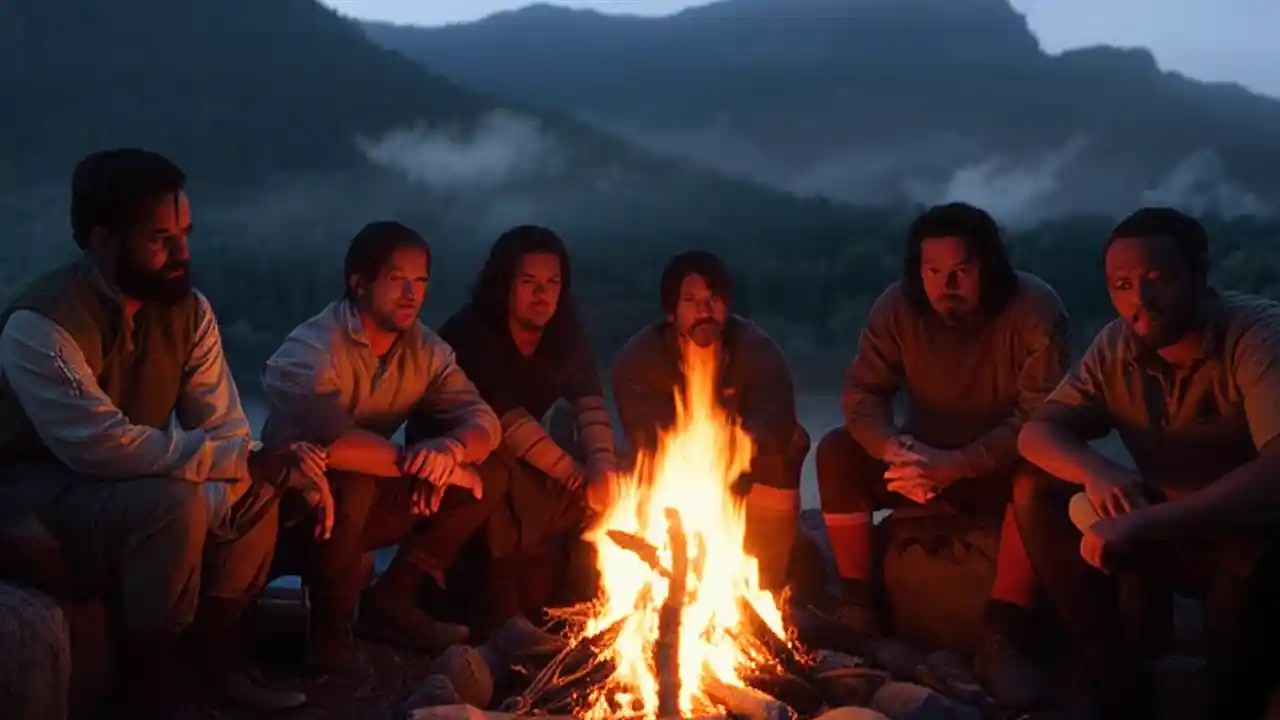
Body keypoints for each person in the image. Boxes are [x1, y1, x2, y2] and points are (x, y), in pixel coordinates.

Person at [0, 149, 321, 717]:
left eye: (184, 234)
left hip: (132, 478)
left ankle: (218, 665)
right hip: (40, 493)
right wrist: (231, 462)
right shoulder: (41, 324)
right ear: (103, 239)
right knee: (174, 503)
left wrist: (252, 468)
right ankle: (153, 692)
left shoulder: (186, 311)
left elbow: (222, 424)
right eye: (159, 239)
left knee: (259, 483)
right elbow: (99, 446)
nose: (182, 253)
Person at [1017, 207, 1280, 718]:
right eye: (1122, 285)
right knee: (1035, 486)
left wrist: (1145, 521)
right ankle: (1113, 677)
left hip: (1254, 532)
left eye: (1157, 280)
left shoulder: (1257, 337)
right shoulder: (1117, 344)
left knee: (1245, 581)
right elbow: (1037, 431)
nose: (1140, 301)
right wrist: (1098, 471)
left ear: (1200, 275)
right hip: (1165, 521)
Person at [815, 202, 1069, 707]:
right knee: (837, 451)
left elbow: (1041, 415)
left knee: (1042, 468)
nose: (945, 285)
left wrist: (957, 464)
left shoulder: (1034, 308)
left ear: (988, 267)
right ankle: (857, 607)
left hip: (998, 462)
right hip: (919, 460)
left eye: (960, 271)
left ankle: (1003, 635)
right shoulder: (897, 307)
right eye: (932, 271)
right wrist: (893, 448)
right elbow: (863, 393)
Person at [261, 221, 505, 674]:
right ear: (359, 282)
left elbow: (484, 421)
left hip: (369, 498)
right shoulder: (310, 347)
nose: (412, 294)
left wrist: (450, 450)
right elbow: (338, 445)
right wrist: (436, 468)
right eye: (397, 280)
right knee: (351, 482)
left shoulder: (425, 349)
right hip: (294, 508)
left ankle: (390, 601)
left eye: (421, 281)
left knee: (490, 474)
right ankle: (330, 631)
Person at [428, 225, 619, 628]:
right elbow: (505, 419)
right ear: (504, 285)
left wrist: (602, 468)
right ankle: (502, 621)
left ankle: (586, 609)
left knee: (613, 481)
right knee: (503, 481)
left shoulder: (564, 331)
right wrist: (574, 477)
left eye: (552, 283)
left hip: (529, 449)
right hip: (460, 449)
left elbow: (589, 403)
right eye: (529, 282)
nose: (542, 294)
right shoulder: (474, 333)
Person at [610, 250, 808, 592]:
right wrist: (699, 448)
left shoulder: (757, 351)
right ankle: (659, 578)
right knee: (618, 463)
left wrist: (728, 445)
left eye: (713, 299)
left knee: (793, 444)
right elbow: (645, 436)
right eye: (690, 300)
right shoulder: (639, 361)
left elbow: (775, 425)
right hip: (667, 473)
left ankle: (769, 577)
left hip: (743, 467)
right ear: (672, 313)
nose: (704, 310)